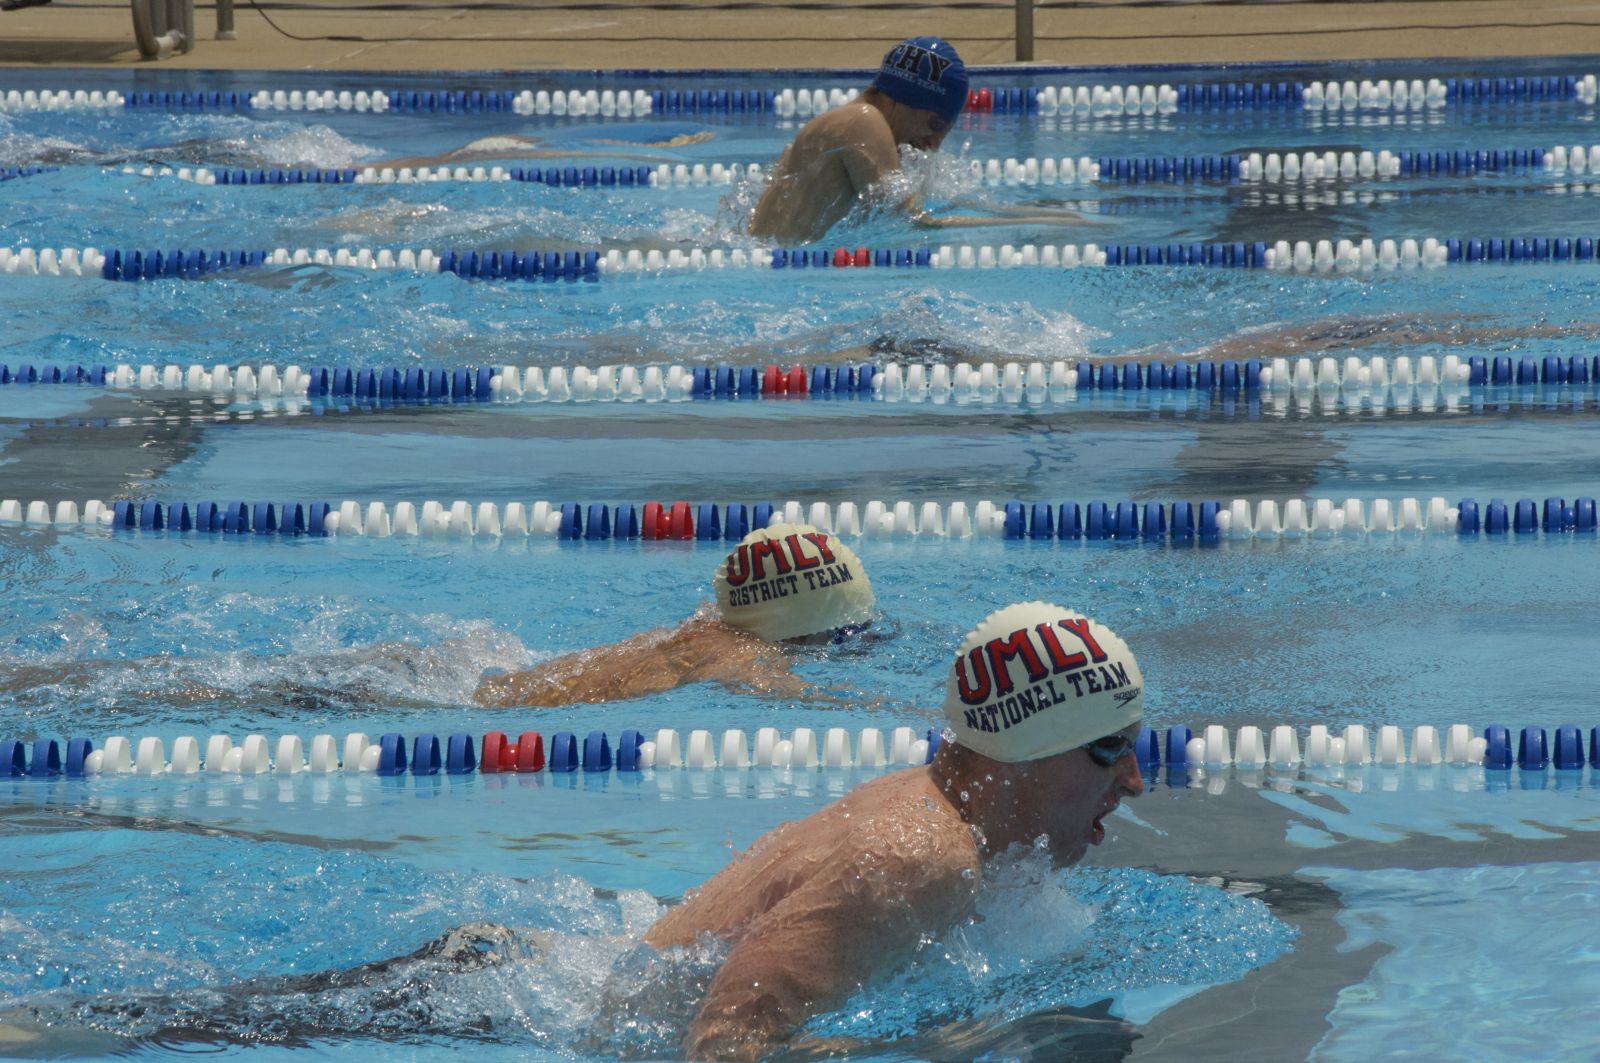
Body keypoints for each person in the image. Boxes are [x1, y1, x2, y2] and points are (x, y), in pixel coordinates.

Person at [645, 600, 1147, 1059]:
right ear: (1027, 748)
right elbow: (725, 1041)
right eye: (1109, 748)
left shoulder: (929, 807)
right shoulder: (920, 857)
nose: (1133, 781)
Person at [472, 521, 877, 707]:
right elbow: (781, 692)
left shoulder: (712, 626)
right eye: (843, 632)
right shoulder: (744, 655)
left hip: (515, 684)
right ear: (802, 622)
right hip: (513, 706)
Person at [748, 36, 970, 244]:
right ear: (903, 99)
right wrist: (1004, 228)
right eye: (935, 125)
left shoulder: (844, 122)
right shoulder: (863, 121)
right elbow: (914, 224)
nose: (934, 144)